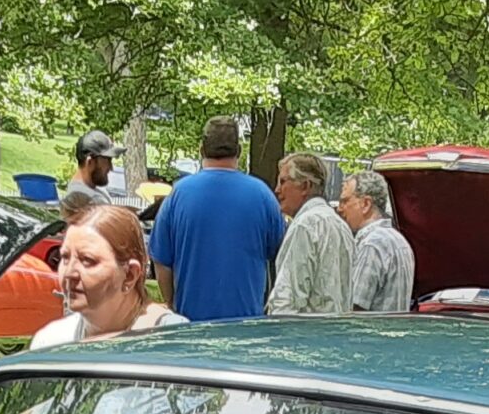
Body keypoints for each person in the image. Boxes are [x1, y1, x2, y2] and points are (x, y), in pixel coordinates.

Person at [146, 116, 284, 323]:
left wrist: (172, 303)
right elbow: (281, 255)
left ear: (202, 150)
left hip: (191, 323)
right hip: (246, 325)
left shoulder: (178, 195)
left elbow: (161, 260)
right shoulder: (263, 195)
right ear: (238, 151)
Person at [29, 206, 186, 347]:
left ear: (130, 274)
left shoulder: (173, 341)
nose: (69, 273)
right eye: (65, 257)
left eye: (88, 260)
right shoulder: (51, 343)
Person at [267, 152, 353, 315]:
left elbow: (288, 298)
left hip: (304, 335)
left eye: (283, 182)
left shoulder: (305, 226)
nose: (277, 190)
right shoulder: (342, 226)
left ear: (305, 186)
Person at [337, 170, 413, 313]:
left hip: (369, 333)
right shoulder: (400, 241)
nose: (339, 208)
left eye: (345, 201)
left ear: (366, 204)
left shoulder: (371, 245)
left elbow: (354, 307)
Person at [66, 129, 119, 207]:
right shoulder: (82, 199)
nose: (111, 168)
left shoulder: (94, 188)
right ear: (90, 162)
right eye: (107, 161)